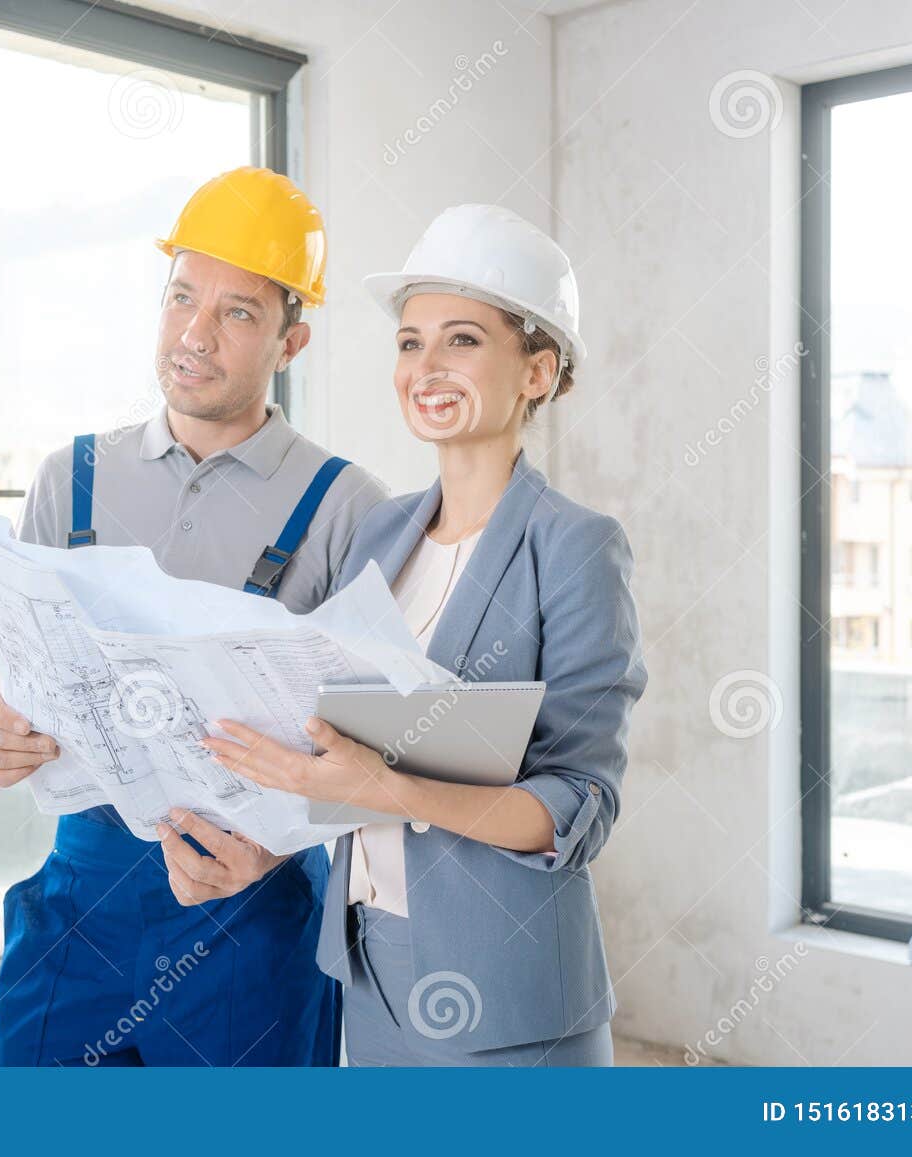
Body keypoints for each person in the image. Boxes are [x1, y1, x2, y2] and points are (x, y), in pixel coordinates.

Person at [199, 203, 649, 1066]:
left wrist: (390, 788)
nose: (427, 367)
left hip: (507, 990)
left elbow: (580, 807)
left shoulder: (576, 546)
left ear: (538, 370)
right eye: (410, 342)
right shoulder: (379, 533)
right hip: (366, 969)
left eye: (464, 340)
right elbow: (329, 733)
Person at [0, 168, 387, 1067]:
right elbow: (21, 677)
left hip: (252, 905)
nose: (195, 334)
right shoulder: (68, 478)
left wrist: (276, 855)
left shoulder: (349, 506)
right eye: (181, 298)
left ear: (293, 339)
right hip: (77, 894)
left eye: (239, 312)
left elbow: (383, 753)